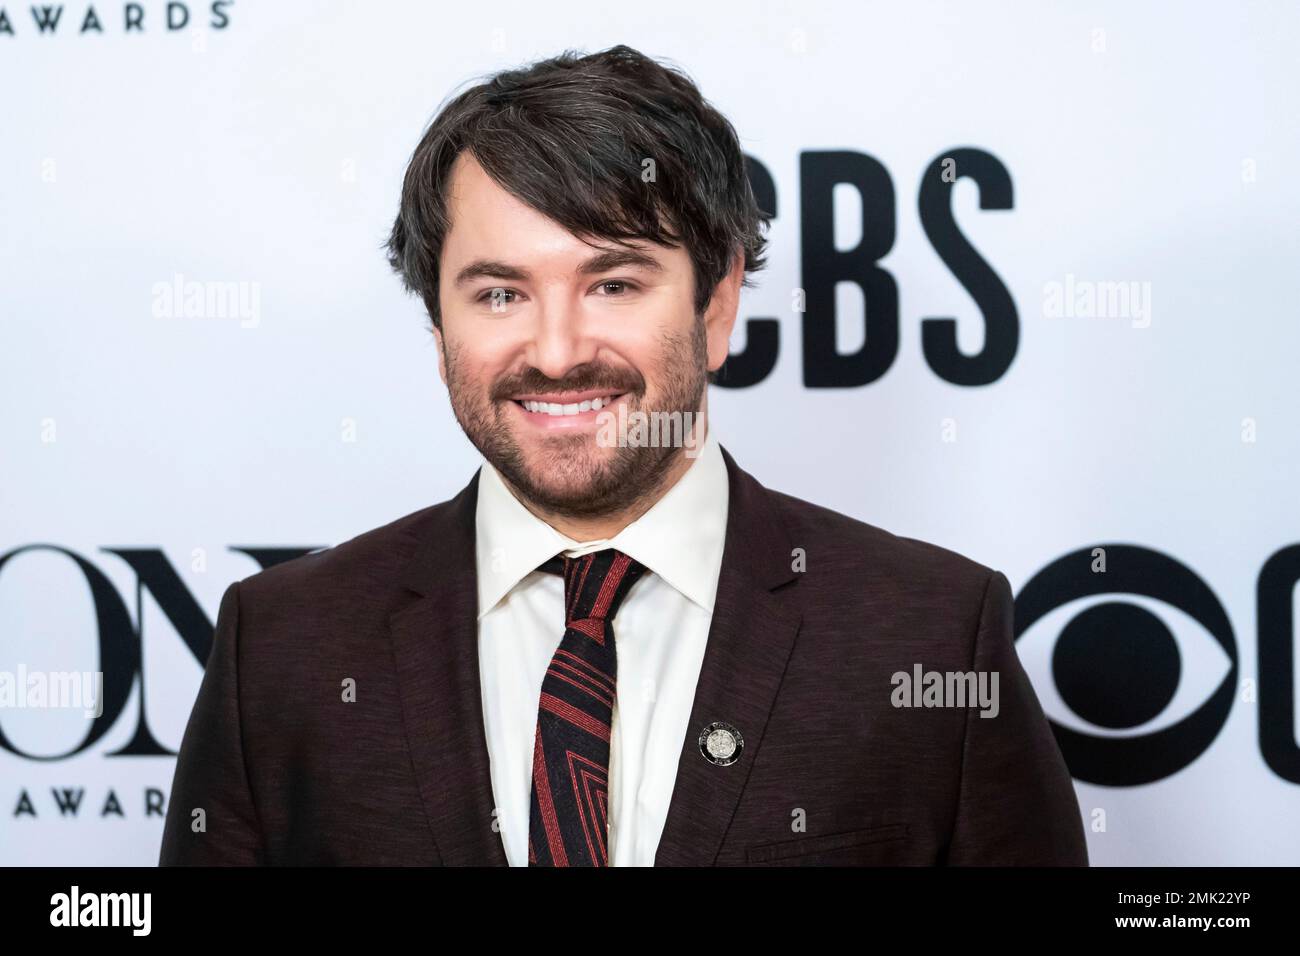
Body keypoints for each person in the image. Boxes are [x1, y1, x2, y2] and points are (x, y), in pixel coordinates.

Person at [159, 44, 1087, 866]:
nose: (558, 351)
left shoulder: (929, 632)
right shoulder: (281, 650)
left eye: (612, 282)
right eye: (497, 295)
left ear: (716, 304)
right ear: (437, 325)